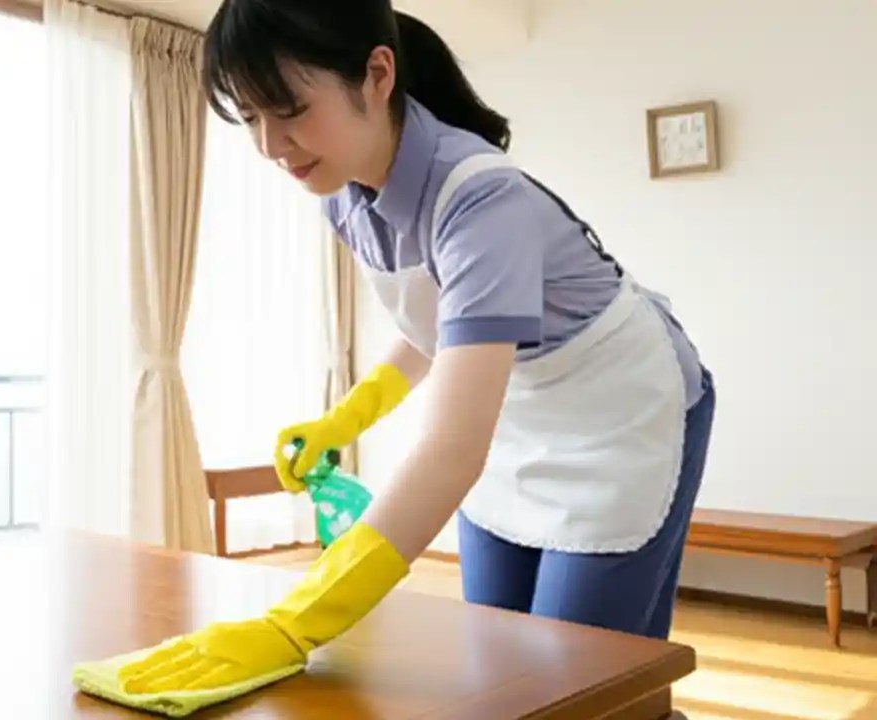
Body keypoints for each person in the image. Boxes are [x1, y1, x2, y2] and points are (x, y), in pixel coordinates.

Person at [114, 0, 716, 695]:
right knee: (499, 658)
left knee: (582, 675)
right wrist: (350, 417)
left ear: (375, 74)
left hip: (619, 410)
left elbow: (453, 449)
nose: (271, 145)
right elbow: (434, 325)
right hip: (514, 411)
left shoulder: (484, 202)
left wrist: (296, 622)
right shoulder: (341, 189)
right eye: (250, 117)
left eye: (289, 109)